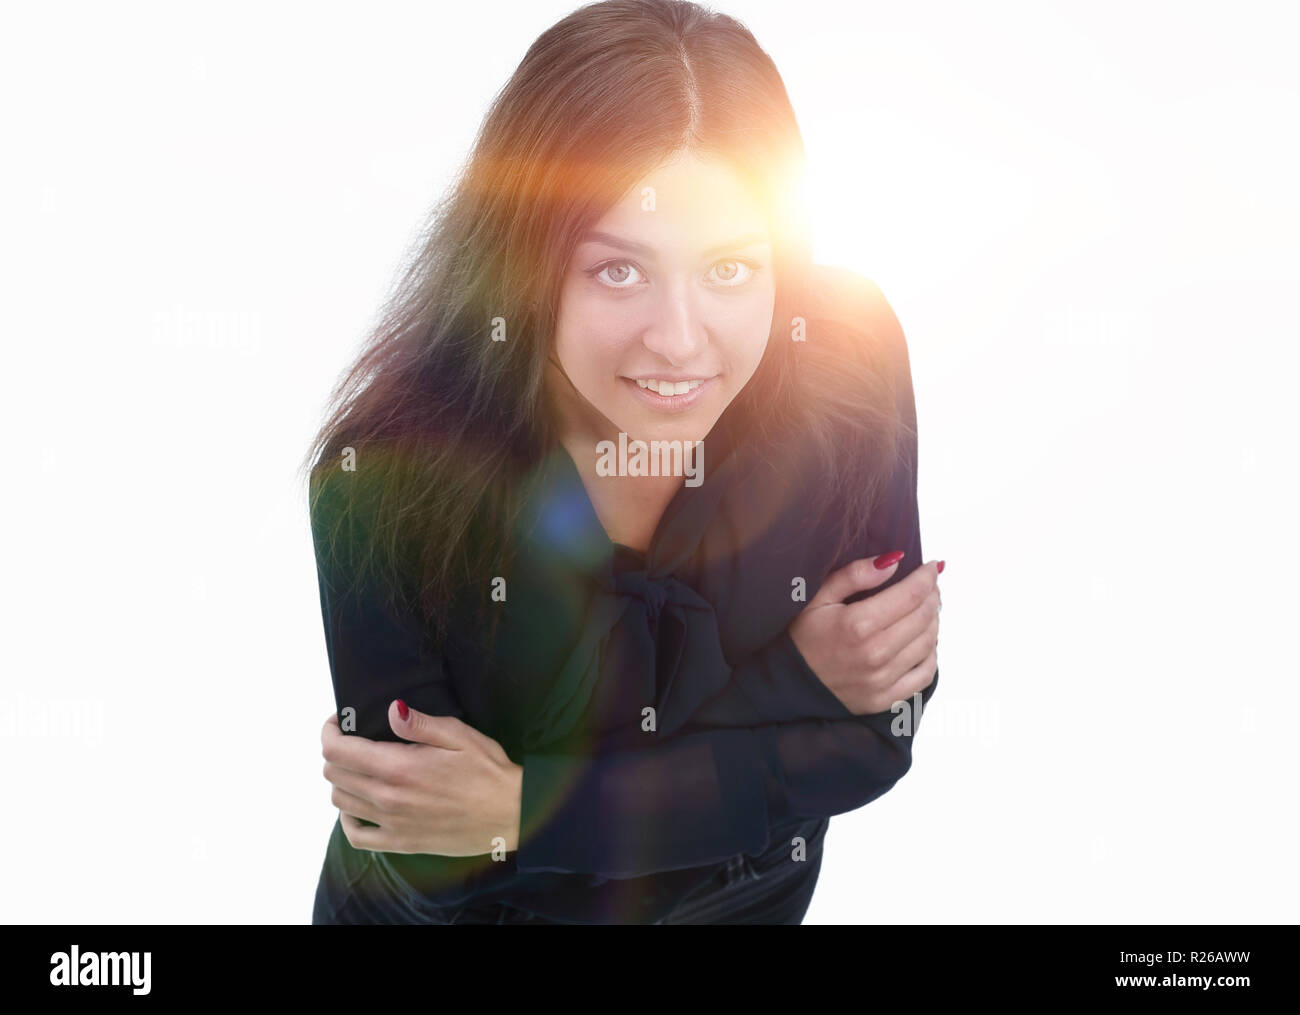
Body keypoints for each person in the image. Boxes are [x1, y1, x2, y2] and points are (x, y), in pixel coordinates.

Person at [302, 0, 943, 925]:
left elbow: (874, 743)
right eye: (618, 270)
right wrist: (789, 692)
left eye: (729, 270)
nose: (680, 342)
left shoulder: (845, 349)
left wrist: (524, 806)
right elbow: (427, 842)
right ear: (525, 261)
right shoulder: (383, 475)